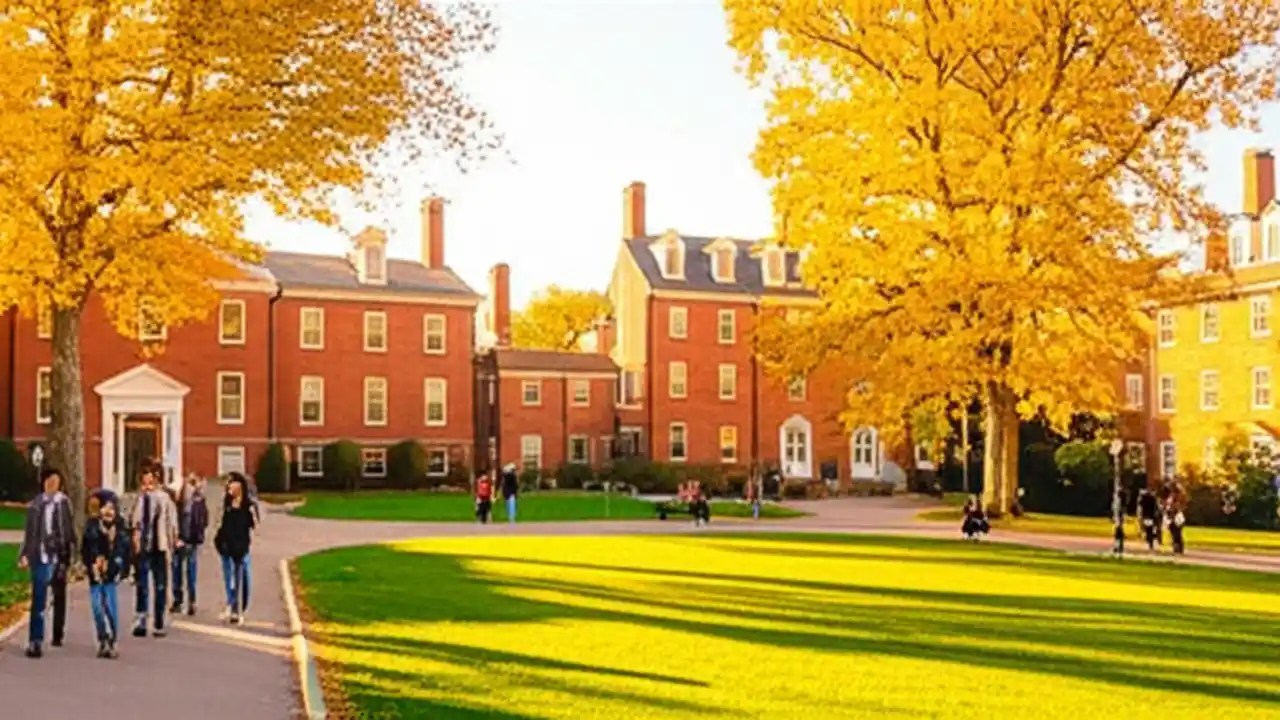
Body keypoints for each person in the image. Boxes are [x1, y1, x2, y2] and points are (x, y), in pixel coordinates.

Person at [17, 467, 76, 658]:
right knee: (39, 600)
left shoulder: (63, 503)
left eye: (56, 482)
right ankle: (36, 640)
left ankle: (58, 632)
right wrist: (25, 554)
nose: (53, 485)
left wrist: (68, 554)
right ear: (44, 483)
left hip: (58, 556)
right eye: (50, 481)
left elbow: (69, 531)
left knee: (59, 596)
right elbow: (29, 533)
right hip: (40, 556)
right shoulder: (36, 505)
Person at [130, 462, 179, 638]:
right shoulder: (141, 499)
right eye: (145, 482)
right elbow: (135, 521)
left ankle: (159, 620)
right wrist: (135, 537)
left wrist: (172, 545)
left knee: (160, 585)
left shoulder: (165, 499)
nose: (147, 486)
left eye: (151, 481)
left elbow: (171, 523)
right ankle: (141, 620)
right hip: (144, 547)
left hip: (160, 546)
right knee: (142, 584)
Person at [81, 498, 131, 658]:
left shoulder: (120, 529)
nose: (108, 512)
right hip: (95, 574)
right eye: (105, 508)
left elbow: (125, 551)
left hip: (111, 574)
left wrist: (122, 569)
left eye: (112, 509)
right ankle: (102, 637)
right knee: (97, 607)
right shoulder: (92, 527)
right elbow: (86, 549)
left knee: (110, 606)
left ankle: (111, 639)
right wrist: (90, 564)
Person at [215, 472, 256, 624]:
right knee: (229, 579)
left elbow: (255, 525)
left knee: (243, 580)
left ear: (240, 485)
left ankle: (240, 607)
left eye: (232, 483)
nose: (229, 486)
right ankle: (233, 607)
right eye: (228, 484)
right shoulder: (226, 505)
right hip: (226, 547)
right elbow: (218, 523)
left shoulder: (247, 505)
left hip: (242, 548)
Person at [170, 473, 209, 616]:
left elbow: (204, 521)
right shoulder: (178, 503)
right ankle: (181, 600)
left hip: (189, 540)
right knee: (180, 570)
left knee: (186, 571)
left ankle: (188, 601)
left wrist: (195, 537)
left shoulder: (196, 501)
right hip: (181, 540)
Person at [1110, 489, 1127, 557]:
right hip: (1118, 520)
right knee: (1119, 535)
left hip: (1118, 521)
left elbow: (1119, 513)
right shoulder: (1119, 503)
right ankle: (1119, 547)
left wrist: (1118, 521)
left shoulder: (1119, 503)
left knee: (1118, 534)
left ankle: (1118, 548)